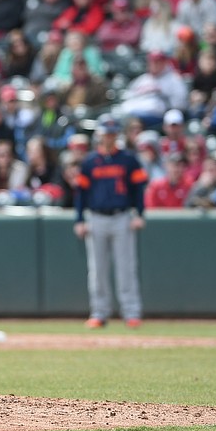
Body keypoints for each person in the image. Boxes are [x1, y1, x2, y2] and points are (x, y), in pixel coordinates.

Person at [74, 114, 147, 329]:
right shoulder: (89, 162)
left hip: (121, 216)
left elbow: (139, 190)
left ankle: (131, 312)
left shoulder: (128, 159)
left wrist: (139, 214)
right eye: (106, 133)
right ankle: (99, 312)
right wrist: (79, 219)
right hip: (96, 217)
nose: (109, 137)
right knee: (97, 269)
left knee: (126, 267)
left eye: (113, 133)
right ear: (99, 135)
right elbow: (81, 194)